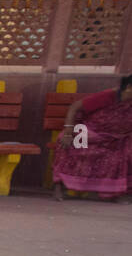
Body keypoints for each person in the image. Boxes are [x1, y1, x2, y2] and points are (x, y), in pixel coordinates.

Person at [53, 74, 132, 202]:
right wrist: (68, 132)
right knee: (71, 145)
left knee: (123, 153)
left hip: (118, 138)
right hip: (90, 132)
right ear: (129, 87)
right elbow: (74, 107)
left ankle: (116, 193)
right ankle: (59, 186)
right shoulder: (109, 96)